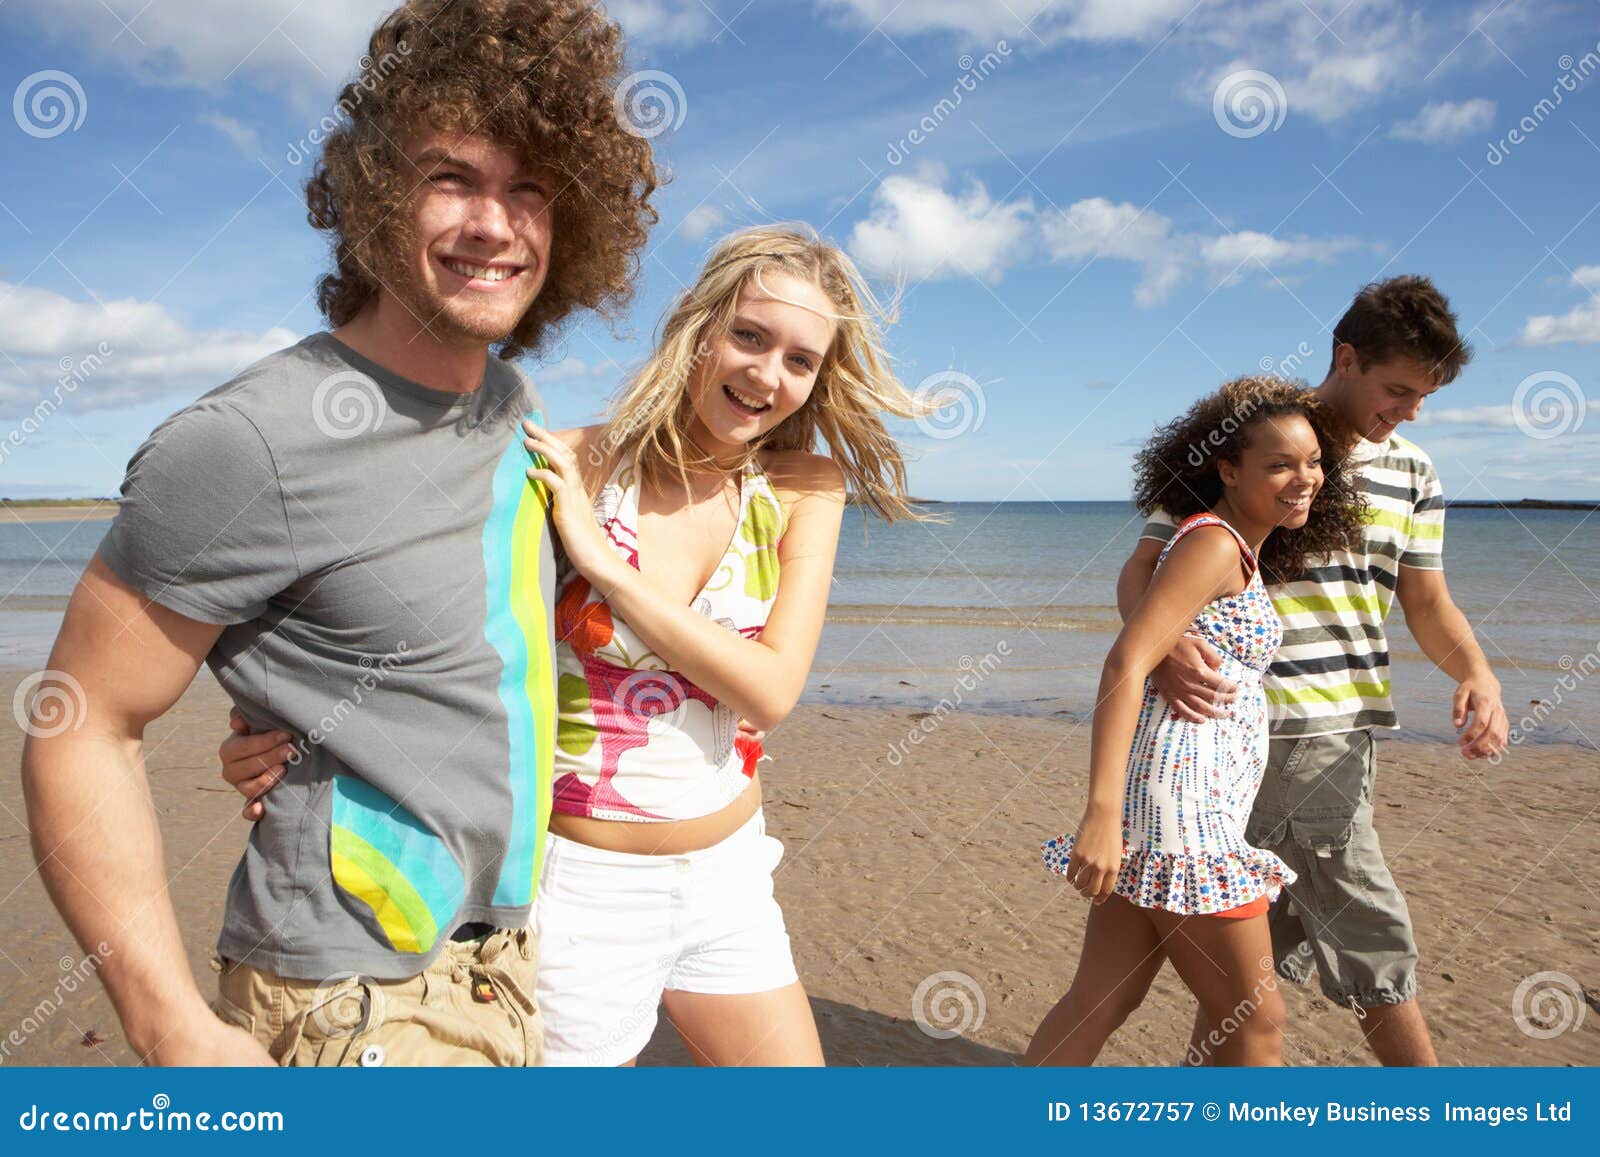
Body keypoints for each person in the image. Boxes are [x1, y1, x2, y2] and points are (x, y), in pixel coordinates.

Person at [19, 0, 657, 1066]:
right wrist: (167, 1021)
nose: (494, 225)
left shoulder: (507, 405)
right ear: (373, 194)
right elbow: (79, 720)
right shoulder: (249, 441)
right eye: (451, 177)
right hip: (354, 1005)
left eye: (529, 189)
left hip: (502, 969)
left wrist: (306, 722)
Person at [218, 224, 935, 1065]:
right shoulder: (569, 465)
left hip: (731, 875)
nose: (766, 374)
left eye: (799, 360)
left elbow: (771, 689)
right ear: (699, 328)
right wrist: (281, 722)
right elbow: (411, 609)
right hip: (580, 891)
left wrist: (606, 566)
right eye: (749, 336)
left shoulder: (803, 486)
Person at [1120, 276, 1509, 1066]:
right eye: (1397, 389)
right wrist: (1156, 648)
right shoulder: (1260, 436)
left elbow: (1427, 602)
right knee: (1373, 934)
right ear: (1346, 357)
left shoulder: (1415, 472)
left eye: (1424, 396)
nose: (1408, 410)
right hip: (1260, 728)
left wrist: (1477, 671)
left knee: (1247, 955)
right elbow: (1143, 571)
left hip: (1345, 737)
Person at [1025, 377, 1366, 1067]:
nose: (1304, 478)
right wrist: (1100, 810)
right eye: (1279, 464)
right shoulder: (1212, 545)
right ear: (1229, 469)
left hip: (1170, 806)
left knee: (1102, 998)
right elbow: (1127, 660)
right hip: (1184, 814)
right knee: (1257, 1019)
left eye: (1312, 461)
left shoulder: (1229, 547)